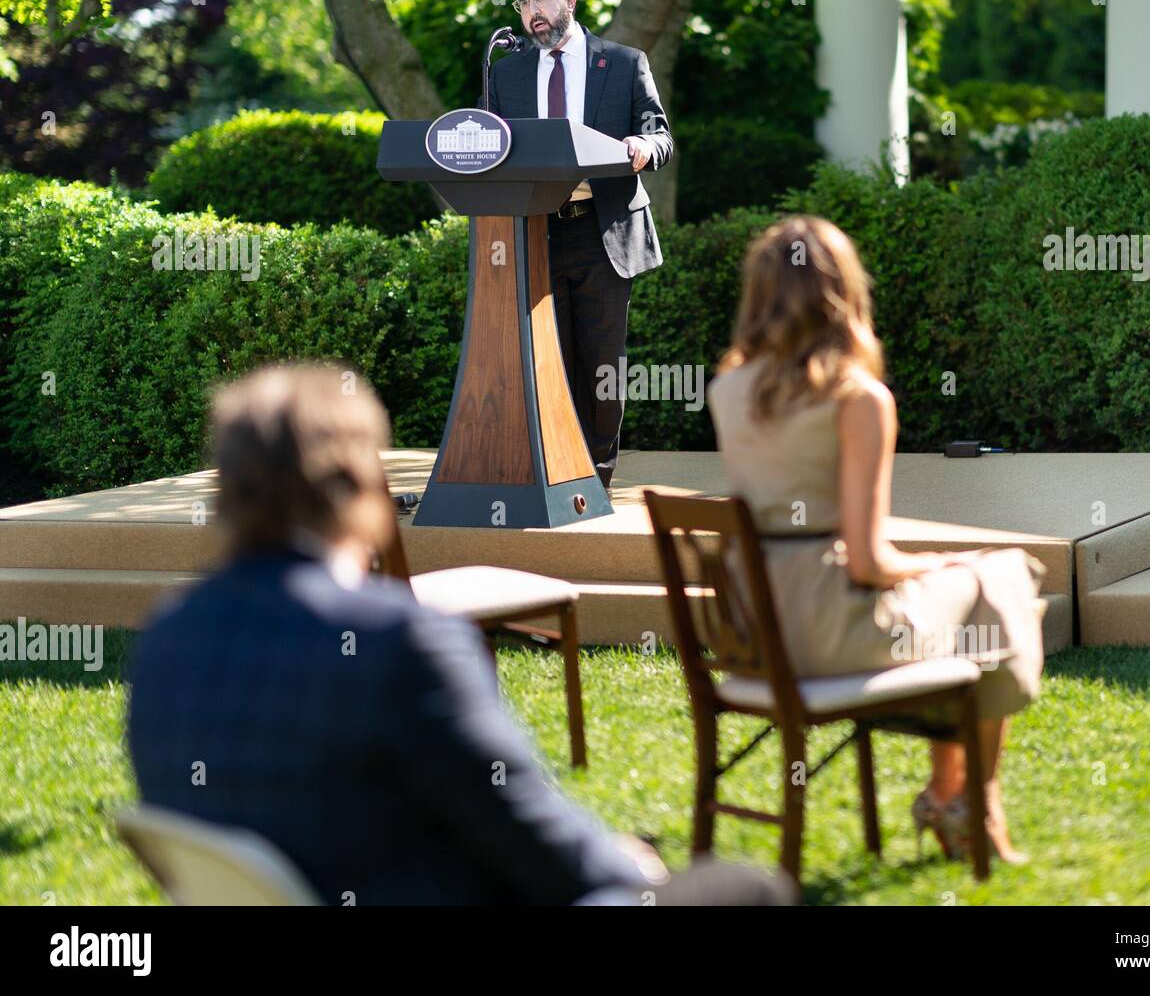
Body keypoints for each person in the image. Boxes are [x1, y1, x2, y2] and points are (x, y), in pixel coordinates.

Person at [127, 363, 793, 906]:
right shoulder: (399, 642)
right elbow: (538, 846)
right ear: (359, 488)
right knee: (746, 891)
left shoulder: (167, 640)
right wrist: (635, 868)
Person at [706, 217, 1047, 864]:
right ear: (844, 292)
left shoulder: (727, 392)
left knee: (984, 591)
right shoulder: (858, 399)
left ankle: (959, 797)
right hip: (836, 630)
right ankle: (968, 799)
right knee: (1003, 577)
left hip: (752, 628)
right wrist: (945, 562)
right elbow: (867, 561)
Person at [483, 0, 673, 489]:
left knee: (602, 364)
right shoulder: (508, 71)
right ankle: (554, 472)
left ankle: (597, 476)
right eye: (522, 3)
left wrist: (642, 145)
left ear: (569, 0)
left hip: (603, 230)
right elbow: (488, 144)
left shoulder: (623, 61)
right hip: (536, 231)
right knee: (550, 359)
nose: (531, 12)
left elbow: (661, 135)